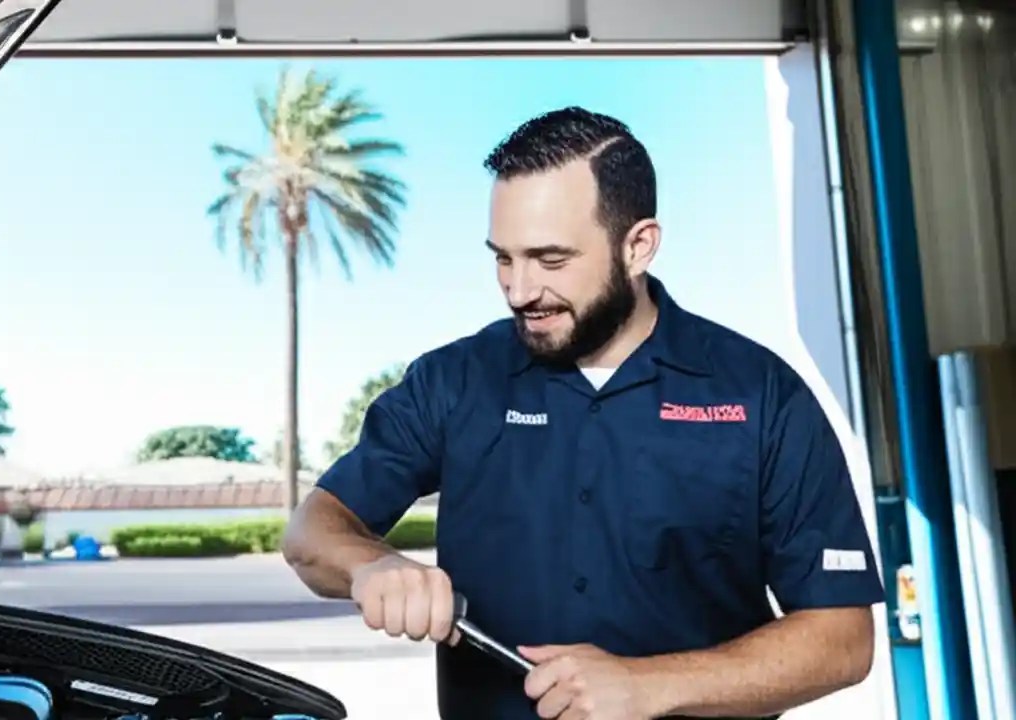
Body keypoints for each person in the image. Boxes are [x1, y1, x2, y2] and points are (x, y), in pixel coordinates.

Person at [281, 107, 885, 720]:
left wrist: (649, 685)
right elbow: (312, 532)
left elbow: (841, 640)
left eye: (550, 259)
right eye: (503, 258)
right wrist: (372, 566)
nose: (519, 290)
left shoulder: (763, 394)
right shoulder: (454, 381)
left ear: (638, 246)